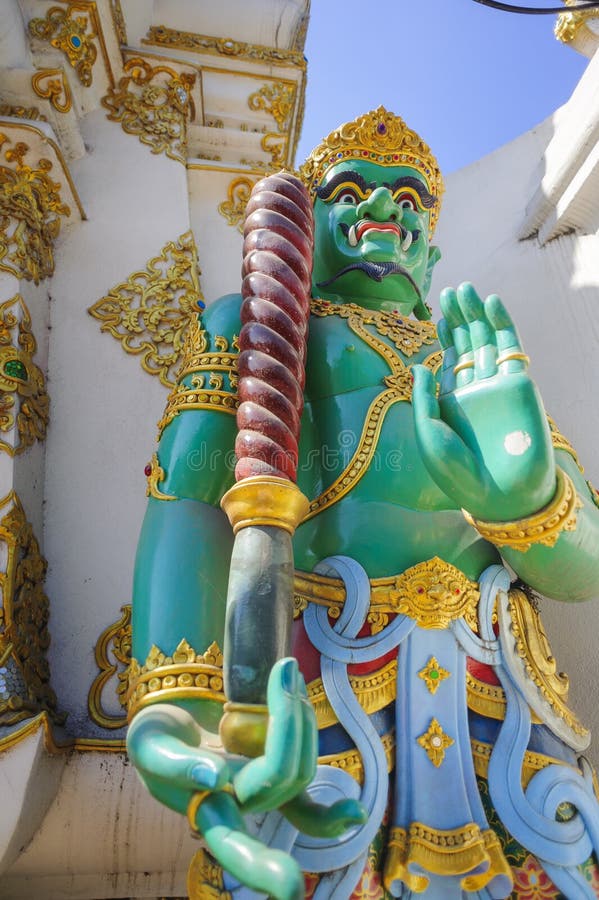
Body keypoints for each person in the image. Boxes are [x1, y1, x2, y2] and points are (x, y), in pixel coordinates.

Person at [127, 107, 599, 899]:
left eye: (411, 202)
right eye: (353, 191)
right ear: (306, 227)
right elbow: (187, 501)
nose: (386, 211)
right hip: (309, 671)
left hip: (497, 685)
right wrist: (174, 711)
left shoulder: (474, 359)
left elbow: (580, 571)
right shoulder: (252, 327)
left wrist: (525, 500)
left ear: (433, 249)